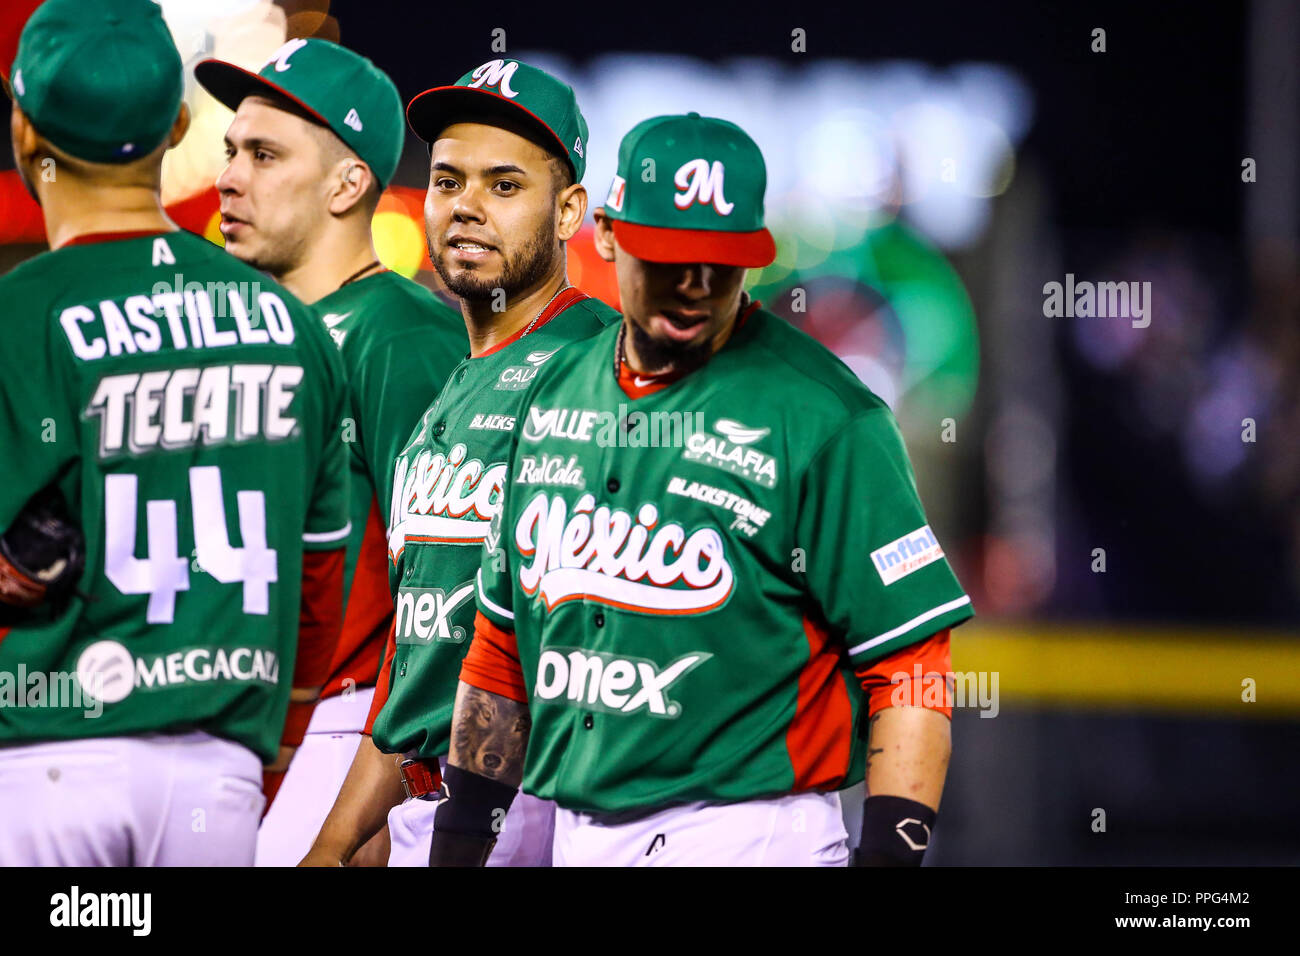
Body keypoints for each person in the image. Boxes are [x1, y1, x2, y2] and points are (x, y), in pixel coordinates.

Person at [435, 112, 974, 866]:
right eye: (670, 257)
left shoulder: (827, 416)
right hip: (574, 835)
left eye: (721, 262)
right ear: (611, 233)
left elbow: (912, 668)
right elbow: (498, 654)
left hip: (748, 836)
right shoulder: (551, 393)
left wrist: (889, 856)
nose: (695, 285)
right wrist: (457, 845)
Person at [0, 0, 347, 866]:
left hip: (45, 757)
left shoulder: (17, 316)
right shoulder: (288, 322)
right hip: (216, 776)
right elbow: (317, 575)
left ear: (23, 132)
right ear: (181, 125)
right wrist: (283, 741)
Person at [301, 59, 618, 867]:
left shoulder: (600, 370)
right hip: (430, 803)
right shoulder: (454, 385)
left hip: (540, 802)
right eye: (448, 180)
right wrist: (336, 845)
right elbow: (420, 659)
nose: (467, 206)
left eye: (505, 186)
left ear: (568, 212)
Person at [195, 37, 467, 867]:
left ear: (350, 184)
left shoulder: (401, 332)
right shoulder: (247, 329)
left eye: (266, 155)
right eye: (232, 151)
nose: (231, 178)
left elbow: (444, 591)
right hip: (238, 718)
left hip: (344, 725)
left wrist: (380, 804)